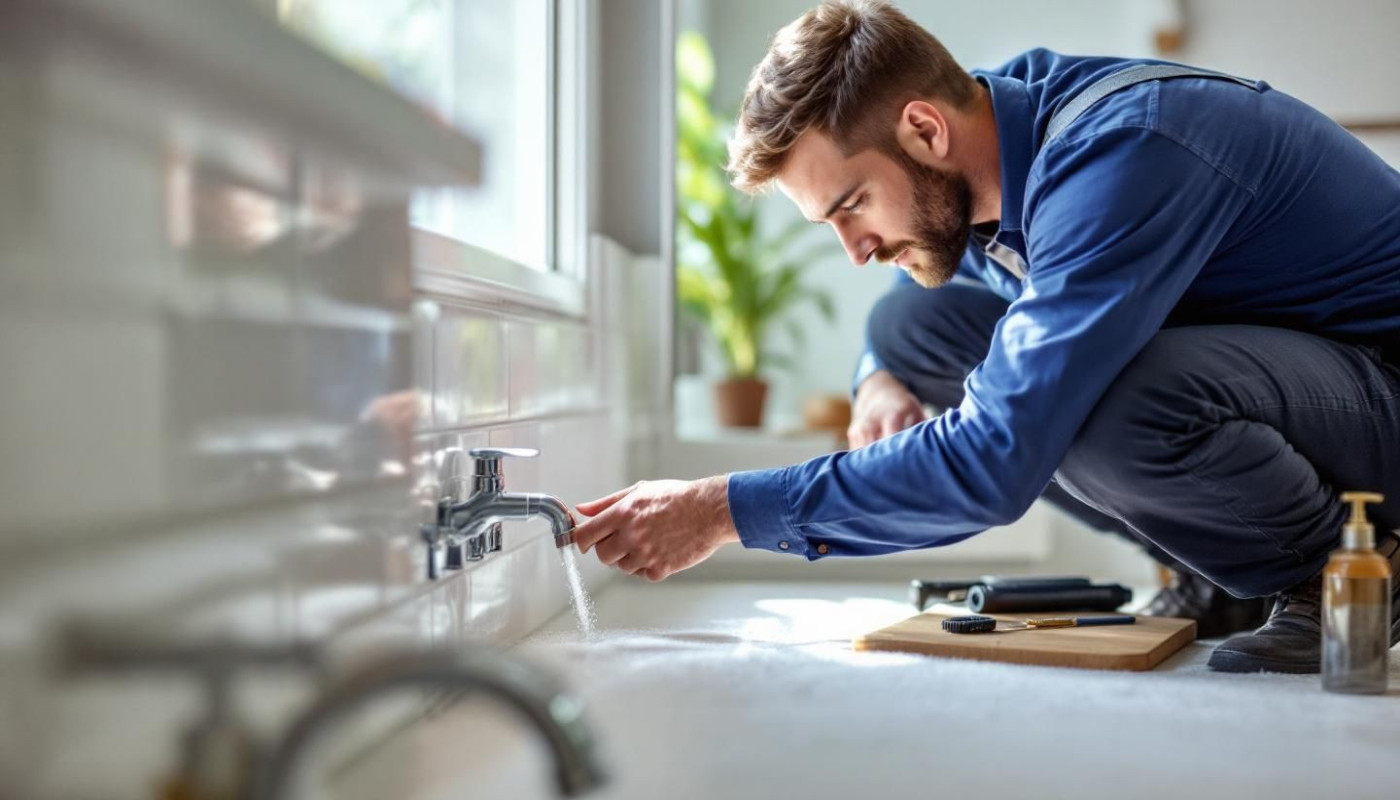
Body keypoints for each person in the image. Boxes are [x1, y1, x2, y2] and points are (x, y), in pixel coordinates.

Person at [572, 0, 1400, 673]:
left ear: (925, 130)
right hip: (1312, 389)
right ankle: (1219, 575)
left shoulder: (1124, 153)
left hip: (1384, 389)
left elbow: (996, 458)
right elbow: (914, 316)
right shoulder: (1012, 138)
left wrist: (723, 510)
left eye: (851, 205)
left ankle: (1343, 570)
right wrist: (876, 379)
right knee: (917, 322)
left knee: (1106, 409)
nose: (854, 250)